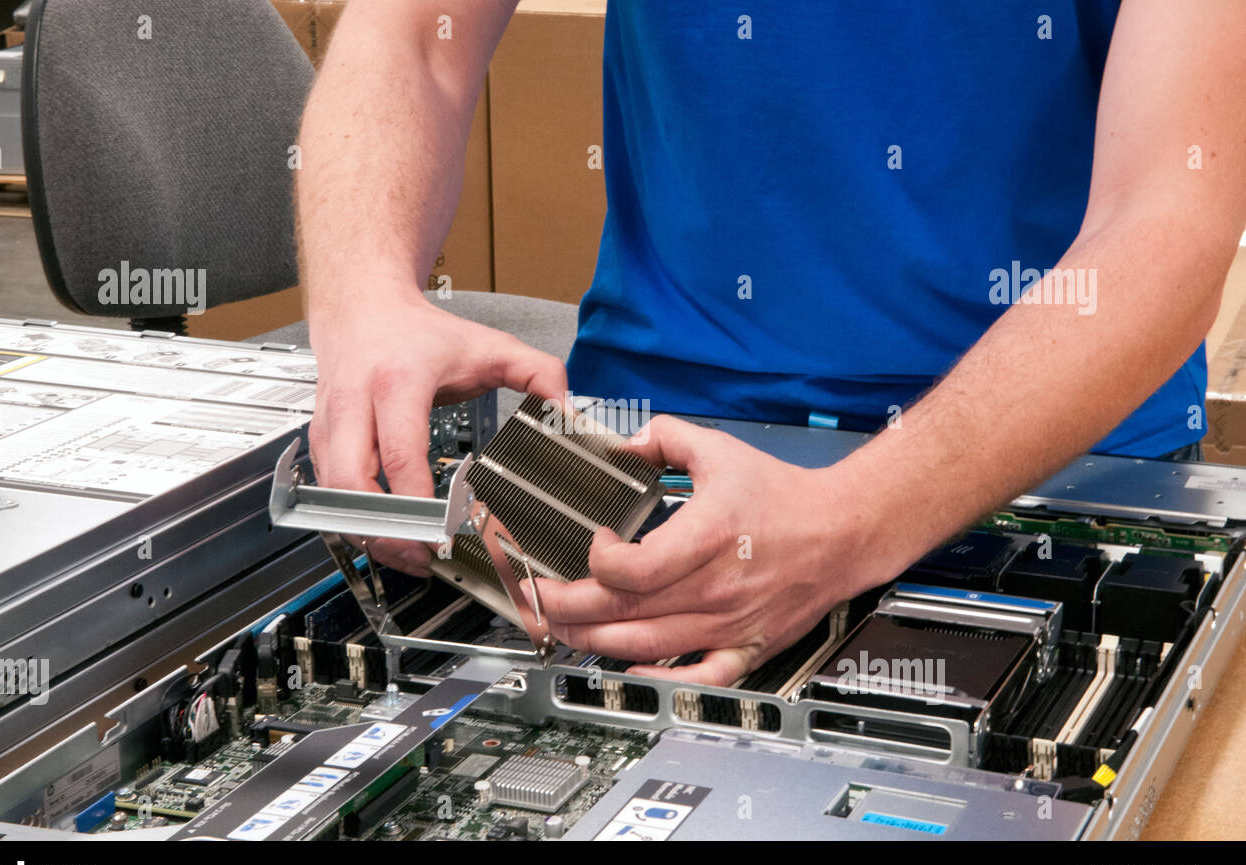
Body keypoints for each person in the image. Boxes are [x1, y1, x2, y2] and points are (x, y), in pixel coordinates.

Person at [296, 1, 1246, 686]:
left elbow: (1166, 210)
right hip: (645, 454)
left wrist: (857, 516)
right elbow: (415, 36)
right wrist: (366, 294)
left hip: (1048, 471)